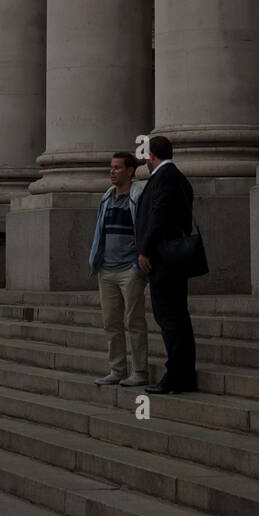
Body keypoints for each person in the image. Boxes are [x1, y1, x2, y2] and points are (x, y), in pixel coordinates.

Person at [135, 135, 197, 394]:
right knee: (177, 317)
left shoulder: (165, 177)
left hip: (164, 259)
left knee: (169, 317)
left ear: (151, 156)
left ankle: (176, 377)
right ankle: (183, 375)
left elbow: (158, 216)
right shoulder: (177, 176)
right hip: (172, 258)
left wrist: (145, 250)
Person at [88, 153, 149, 388]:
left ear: (130, 171)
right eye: (111, 168)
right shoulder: (106, 197)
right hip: (107, 270)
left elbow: (144, 229)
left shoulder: (138, 196)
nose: (112, 171)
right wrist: (97, 260)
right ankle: (117, 369)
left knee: (134, 321)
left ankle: (140, 371)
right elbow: (99, 232)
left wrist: (138, 264)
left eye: (117, 168)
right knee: (111, 322)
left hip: (129, 270)